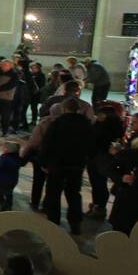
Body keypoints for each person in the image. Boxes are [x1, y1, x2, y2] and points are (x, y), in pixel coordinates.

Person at [41, 98, 93, 235]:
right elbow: (90, 144)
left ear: (64, 109)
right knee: (74, 194)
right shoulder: (86, 124)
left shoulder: (57, 123)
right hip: (76, 164)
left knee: (54, 193)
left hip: (57, 164)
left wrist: (43, 161)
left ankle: (54, 222)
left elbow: (47, 143)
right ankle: (75, 223)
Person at [86, 103, 124, 220]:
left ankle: (99, 207)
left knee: (98, 183)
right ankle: (97, 206)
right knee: (98, 182)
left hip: (98, 157)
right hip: (100, 157)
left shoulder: (103, 127)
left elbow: (95, 138)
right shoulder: (116, 126)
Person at [0, 58, 20, 136]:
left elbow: (11, 85)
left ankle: (4, 131)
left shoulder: (14, 74)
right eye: (2, 64)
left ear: (10, 66)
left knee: (5, 116)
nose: (2, 66)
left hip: (6, 98)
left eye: (5, 65)